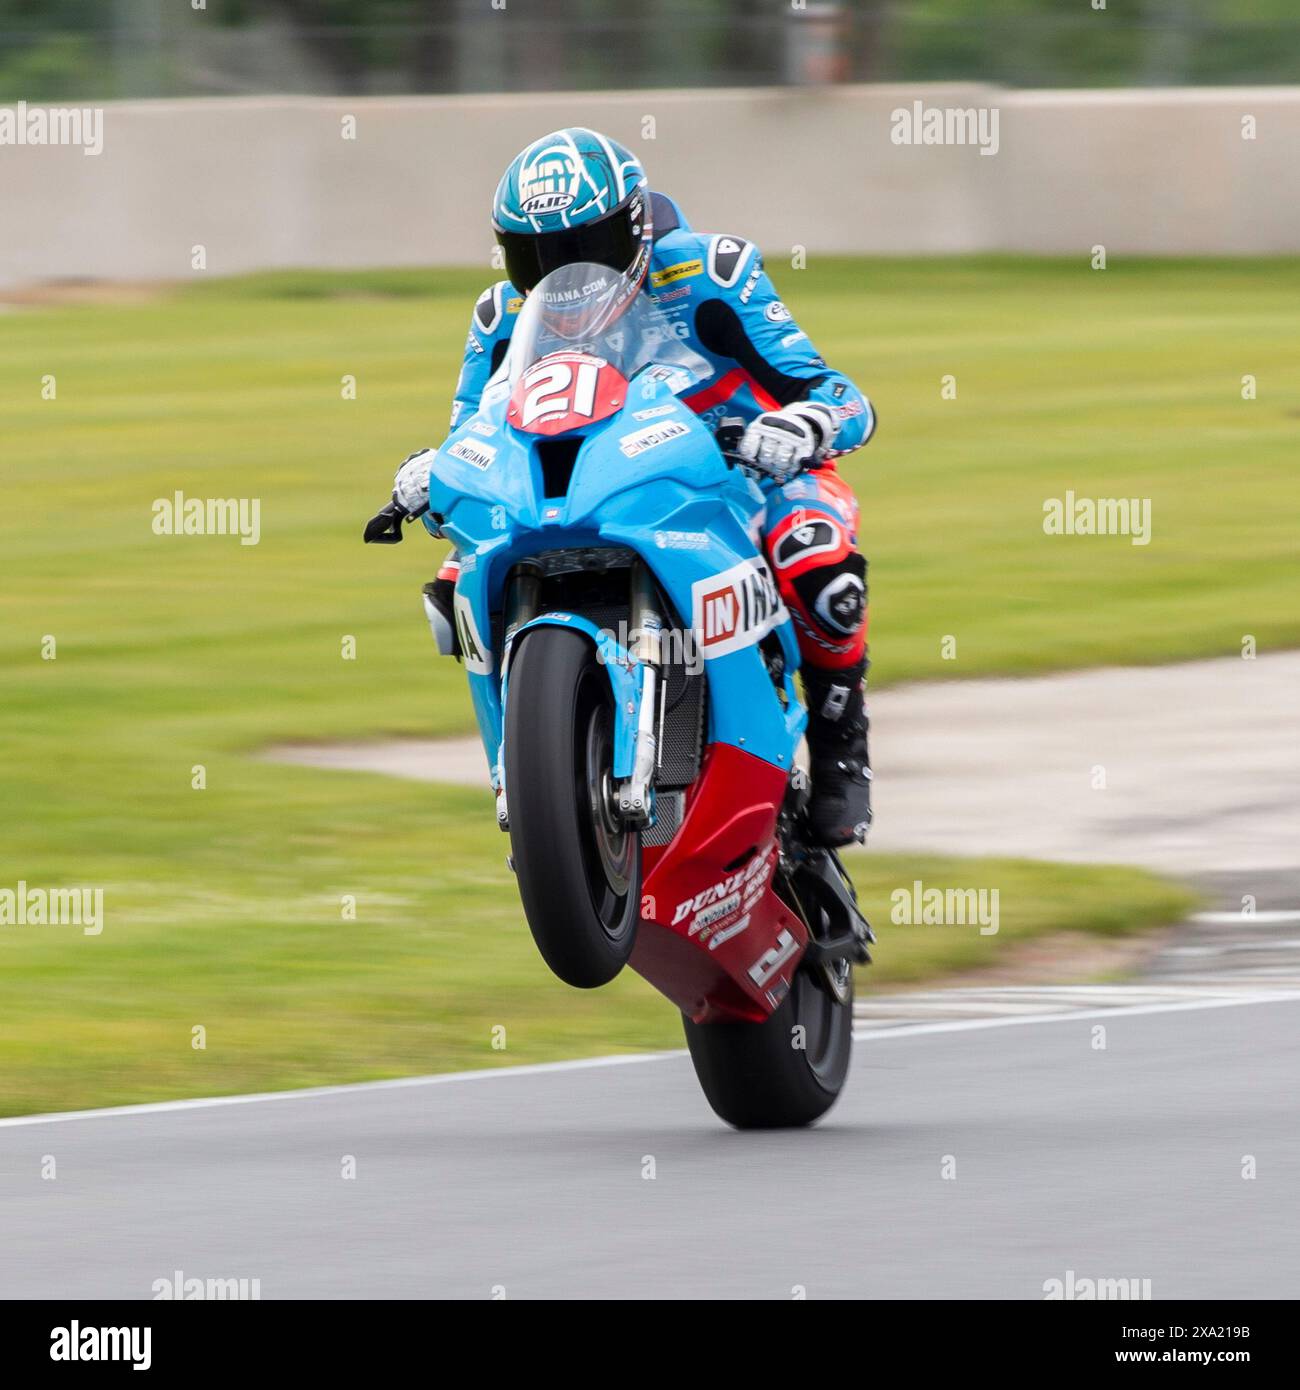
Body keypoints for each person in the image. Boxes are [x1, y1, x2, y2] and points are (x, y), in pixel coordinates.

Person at [391, 128, 876, 846]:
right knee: (454, 578)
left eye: (590, 246)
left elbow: (837, 392)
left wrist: (803, 426)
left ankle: (842, 747)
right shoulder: (499, 317)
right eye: (540, 257)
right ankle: (529, 772)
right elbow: (471, 429)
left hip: (745, 474)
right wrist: (431, 474)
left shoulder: (712, 271)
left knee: (818, 563)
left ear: (637, 226)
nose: (570, 276)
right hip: (593, 484)